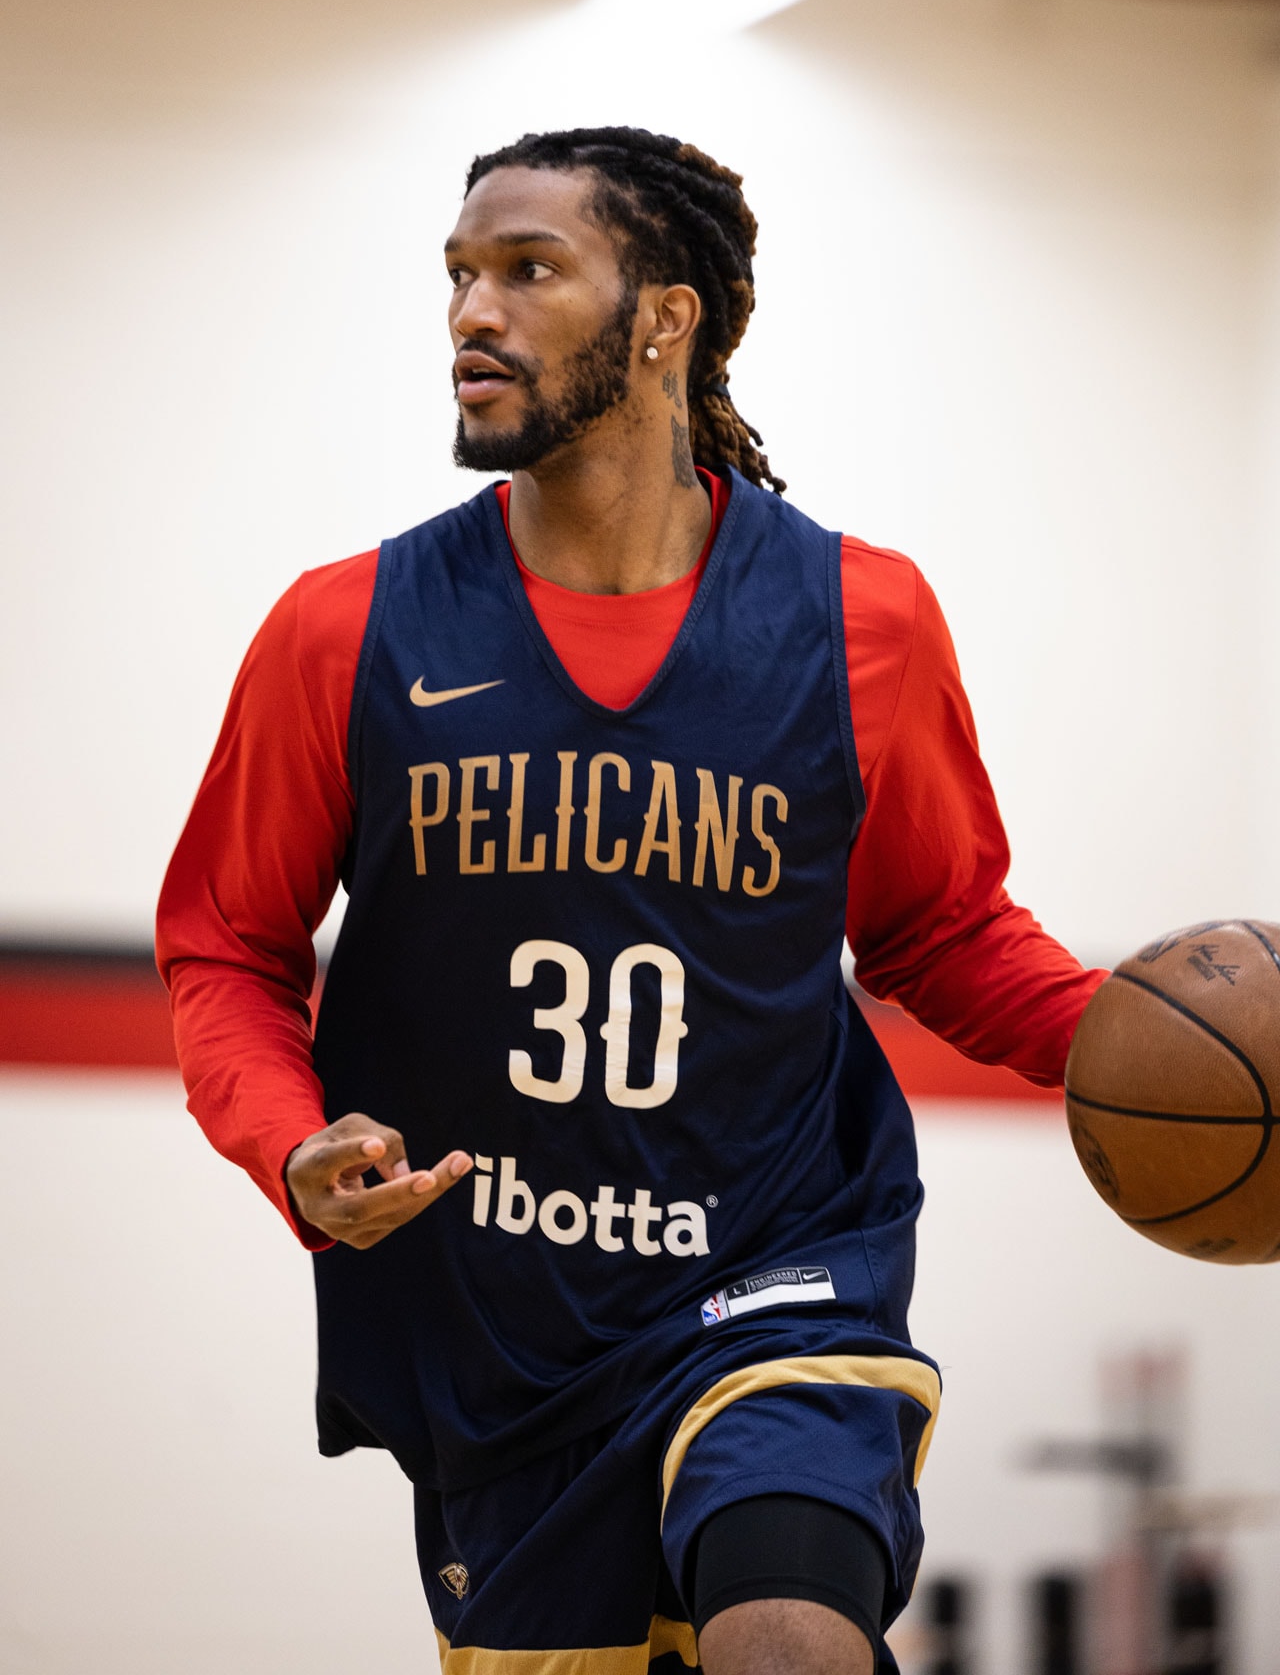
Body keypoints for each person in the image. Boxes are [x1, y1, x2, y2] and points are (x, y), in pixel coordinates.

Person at [157, 126, 1104, 1675]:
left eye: (529, 270)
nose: (474, 312)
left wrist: (1134, 1045)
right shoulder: (347, 631)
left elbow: (937, 927)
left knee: (787, 1632)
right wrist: (290, 1142)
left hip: (779, 1276)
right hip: (501, 1328)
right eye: (460, 275)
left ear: (666, 315)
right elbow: (225, 945)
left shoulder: (862, 618)